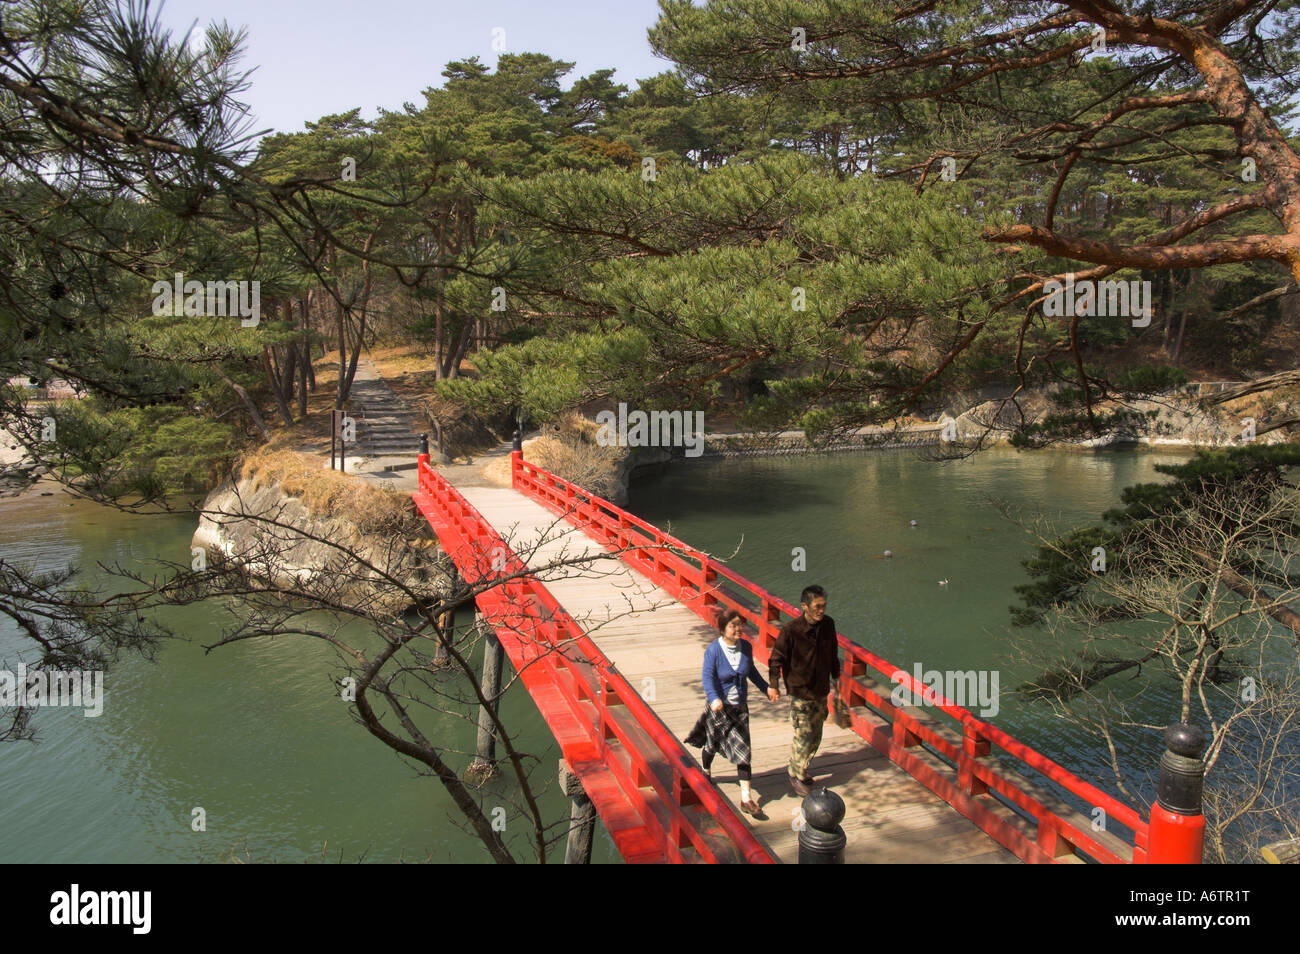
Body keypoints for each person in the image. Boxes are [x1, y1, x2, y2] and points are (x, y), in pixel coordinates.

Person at [685, 608, 780, 815]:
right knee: (711, 746)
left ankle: (746, 798)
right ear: (722, 629)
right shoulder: (714, 651)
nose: (738, 629)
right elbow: (708, 678)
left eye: (740, 625)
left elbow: (751, 672)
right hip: (719, 708)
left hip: (740, 710)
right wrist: (714, 698)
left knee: (743, 751)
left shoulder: (745, 647)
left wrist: (766, 689)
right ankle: (706, 771)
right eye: (733, 625)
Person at [768, 584, 841, 797]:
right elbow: (776, 659)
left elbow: (833, 653)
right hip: (800, 690)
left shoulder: (828, 625)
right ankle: (795, 773)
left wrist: (837, 678)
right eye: (817, 606)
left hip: (821, 689)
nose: (821, 610)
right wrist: (774, 685)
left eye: (823, 606)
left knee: (816, 734)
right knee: (803, 733)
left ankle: (802, 767)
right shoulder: (791, 630)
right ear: (804, 606)